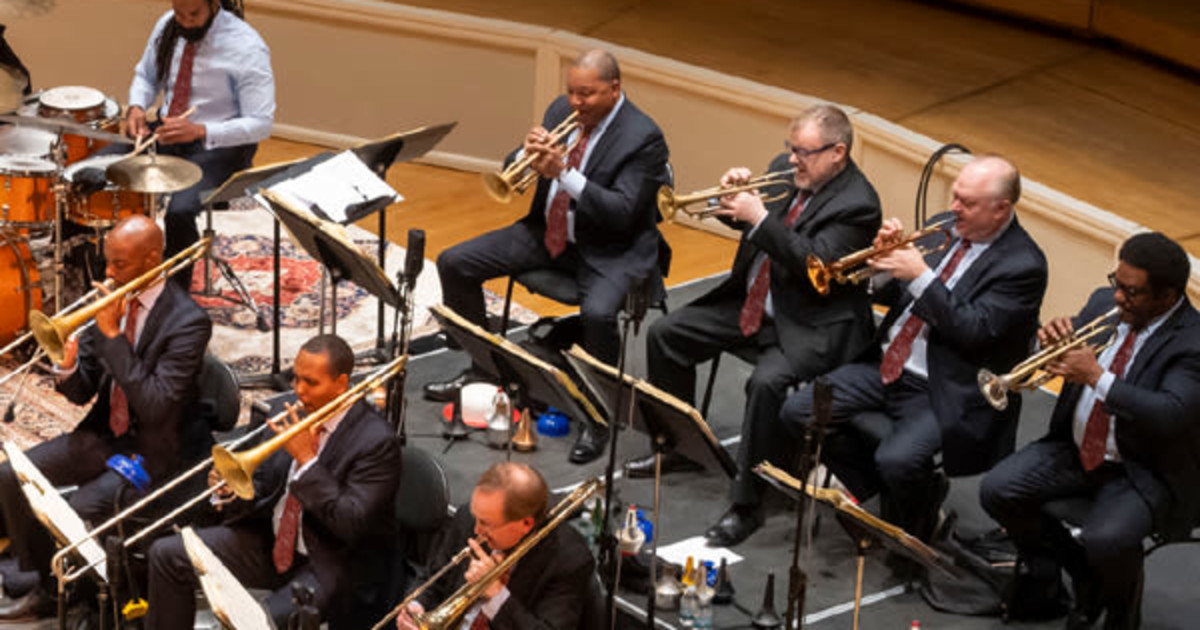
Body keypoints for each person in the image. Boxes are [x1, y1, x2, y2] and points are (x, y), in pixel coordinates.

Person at [634, 104, 882, 548]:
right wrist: (728, 202)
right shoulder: (785, 172)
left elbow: (814, 267)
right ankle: (678, 446)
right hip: (753, 303)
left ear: (837, 152)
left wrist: (759, 218)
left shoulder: (859, 206)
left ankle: (748, 506)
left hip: (809, 322)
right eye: (791, 148)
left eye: (804, 152)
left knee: (766, 384)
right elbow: (753, 223)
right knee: (666, 334)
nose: (791, 160)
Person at [779, 155, 1048, 551]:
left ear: (1001, 210)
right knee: (797, 412)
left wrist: (920, 274)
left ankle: (912, 537)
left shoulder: (1023, 265)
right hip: (888, 365)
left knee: (898, 459)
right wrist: (882, 264)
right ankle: (868, 480)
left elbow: (972, 330)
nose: (954, 207)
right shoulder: (946, 225)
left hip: (945, 386)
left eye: (967, 202)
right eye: (955, 196)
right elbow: (894, 294)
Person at [424, 48, 669, 465]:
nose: (575, 102)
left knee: (598, 316)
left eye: (587, 94)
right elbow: (514, 163)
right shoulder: (562, 109)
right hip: (549, 233)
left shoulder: (643, 137)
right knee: (454, 262)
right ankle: (486, 371)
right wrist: (525, 155)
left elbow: (622, 213)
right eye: (572, 92)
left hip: (611, 248)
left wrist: (565, 175)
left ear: (614, 89)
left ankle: (599, 416)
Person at [980, 233, 1200, 630]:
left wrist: (1098, 377)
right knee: (998, 490)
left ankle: (1120, 617)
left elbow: (1171, 413)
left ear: (1168, 297)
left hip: (1143, 468)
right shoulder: (1105, 302)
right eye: (1118, 283)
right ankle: (1081, 576)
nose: (1118, 298)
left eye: (1132, 292)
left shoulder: (1193, 342)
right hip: (1076, 449)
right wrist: (1045, 345)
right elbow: (1062, 353)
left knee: (1106, 539)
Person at [0, 215, 212, 621]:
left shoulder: (188, 322)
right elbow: (84, 391)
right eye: (107, 263)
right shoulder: (115, 298)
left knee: (82, 507)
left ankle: (75, 589)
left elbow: (155, 406)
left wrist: (113, 337)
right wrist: (67, 367)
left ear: (152, 259)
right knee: (11, 476)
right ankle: (51, 580)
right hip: (105, 433)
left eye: (120, 264)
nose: (109, 274)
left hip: (156, 448)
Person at [144, 334, 402, 628]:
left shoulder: (377, 442)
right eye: (296, 379)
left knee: (255, 622)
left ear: (341, 384)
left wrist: (308, 462)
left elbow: (350, 522)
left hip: (332, 561)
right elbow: (264, 485)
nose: (298, 391)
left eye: (311, 383)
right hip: (271, 541)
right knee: (167, 554)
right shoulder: (288, 411)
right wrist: (232, 490)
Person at [125, 0, 275, 281]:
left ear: (214, 4)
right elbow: (146, 77)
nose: (184, 22)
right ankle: (101, 269)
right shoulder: (168, 24)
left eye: (194, 14)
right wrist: (136, 106)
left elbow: (261, 123)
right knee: (97, 173)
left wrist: (200, 131)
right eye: (179, 13)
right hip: (170, 131)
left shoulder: (246, 46)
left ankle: (174, 300)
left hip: (220, 144)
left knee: (179, 212)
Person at [395, 462, 594, 630]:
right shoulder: (469, 517)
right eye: (476, 518)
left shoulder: (568, 560)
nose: (476, 530)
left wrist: (495, 592)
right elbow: (434, 576)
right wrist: (416, 606)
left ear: (525, 524)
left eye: (486, 524)